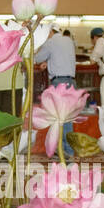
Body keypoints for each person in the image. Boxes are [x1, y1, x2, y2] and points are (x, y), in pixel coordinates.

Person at [35, 24, 78, 158]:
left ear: (49, 32)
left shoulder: (51, 42)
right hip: (71, 82)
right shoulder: (68, 40)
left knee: (60, 118)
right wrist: (49, 63)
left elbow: (37, 58)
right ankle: (67, 149)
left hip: (59, 82)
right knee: (67, 117)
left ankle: (64, 150)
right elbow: (62, 58)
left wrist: (44, 60)